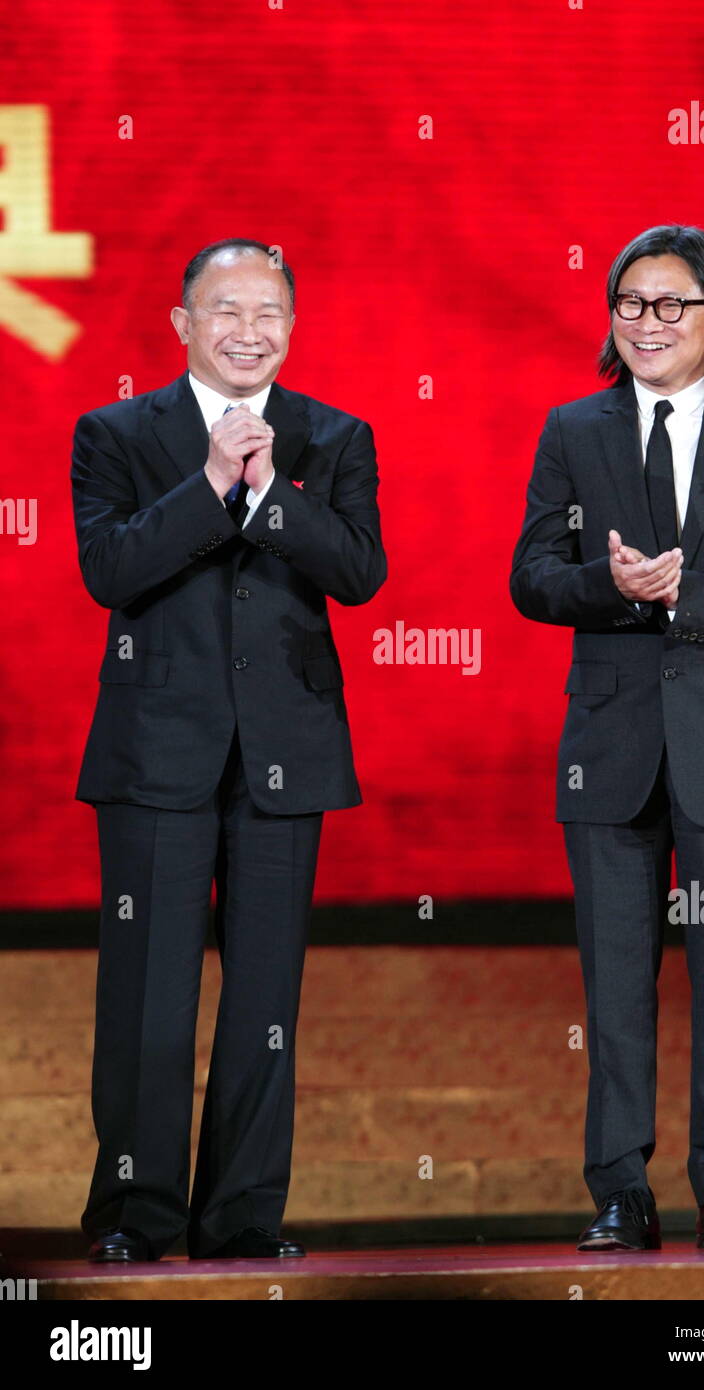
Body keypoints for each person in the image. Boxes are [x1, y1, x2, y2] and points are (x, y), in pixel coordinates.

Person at [510, 224, 704, 1251]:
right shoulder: (573, 429)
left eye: (670, 305)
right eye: (629, 305)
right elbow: (528, 577)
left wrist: (692, 590)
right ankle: (618, 1191)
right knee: (613, 980)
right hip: (606, 746)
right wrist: (605, 583)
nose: (646, 323)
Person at [71, 237, 386, 1262]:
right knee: (148, 995)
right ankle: (134, 1212)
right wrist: (211, 482)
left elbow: (359, 572)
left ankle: (243, 1216)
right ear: (182, 324)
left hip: (284, 755)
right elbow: (112, 569)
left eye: (269, 314)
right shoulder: (116, 431)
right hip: (156, 756)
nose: (249, 332)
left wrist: (270, 497)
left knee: (264, 1002)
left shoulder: (333, 436)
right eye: (226, 311)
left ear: (290, 327)